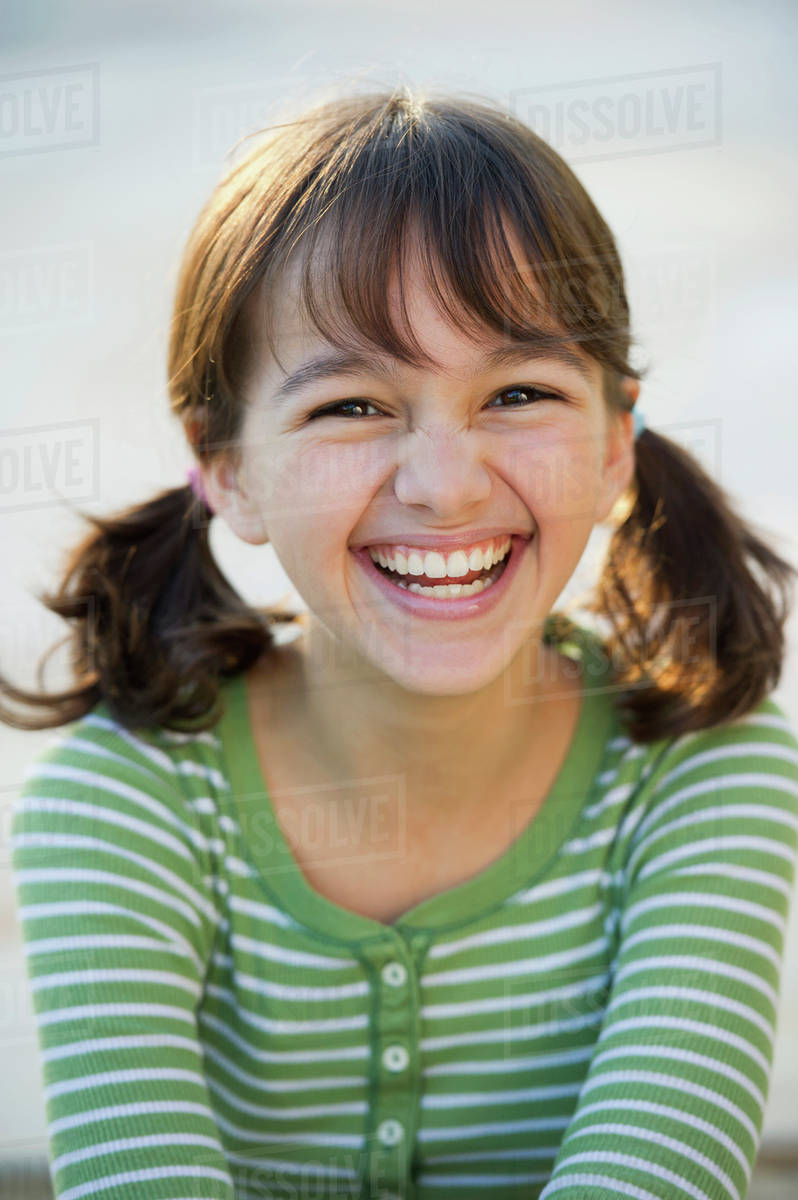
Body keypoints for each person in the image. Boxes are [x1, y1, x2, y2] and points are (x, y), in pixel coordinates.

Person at [6, 85, 798, 1200]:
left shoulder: (707, 771)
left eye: (519, 392)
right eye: (353, 407)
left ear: (618, 443)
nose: (443, 486)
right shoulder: (117, 807)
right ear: (227, 466)